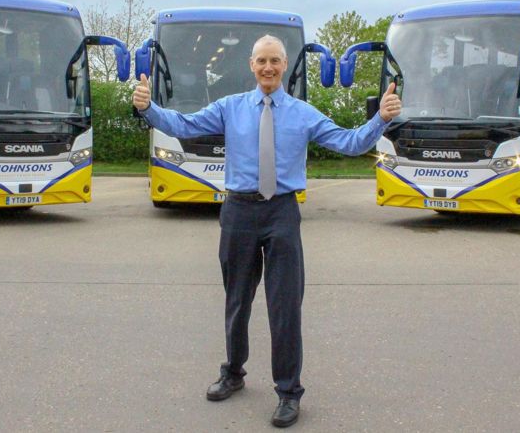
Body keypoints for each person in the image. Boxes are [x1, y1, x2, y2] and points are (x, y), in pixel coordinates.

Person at [132, 35, 401, 428]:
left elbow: (349, 142)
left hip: (282, 213)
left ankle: (289, 393)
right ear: (252, 66)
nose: (268, 68)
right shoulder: (231, 108)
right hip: (238, 211)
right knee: (237, 300)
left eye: (275, 61)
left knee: (285, 306)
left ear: (285, 65)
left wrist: (382, 118)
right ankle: (233, 373)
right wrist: (148, 108)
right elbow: (184, 125)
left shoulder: (303, 113)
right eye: (261, 61)